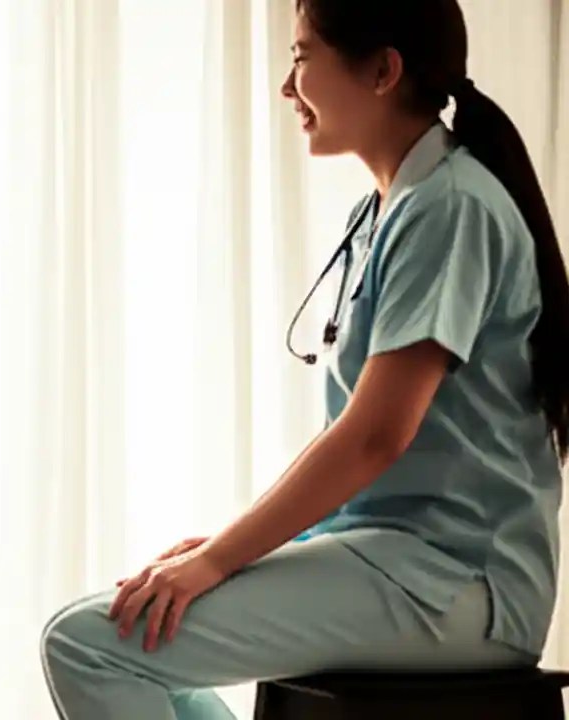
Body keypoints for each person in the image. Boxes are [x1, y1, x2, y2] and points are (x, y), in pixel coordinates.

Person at [40, 1, 569, 717]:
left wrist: (221, 559)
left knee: (88, 643)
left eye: (299, 56)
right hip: (395, 561)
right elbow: (353, 435)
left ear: (383, 70)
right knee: (140, 630)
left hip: (460, 584)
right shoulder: (388, 209)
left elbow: (376, 437)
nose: (288, 87)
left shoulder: (451, 206)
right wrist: (236, 546)